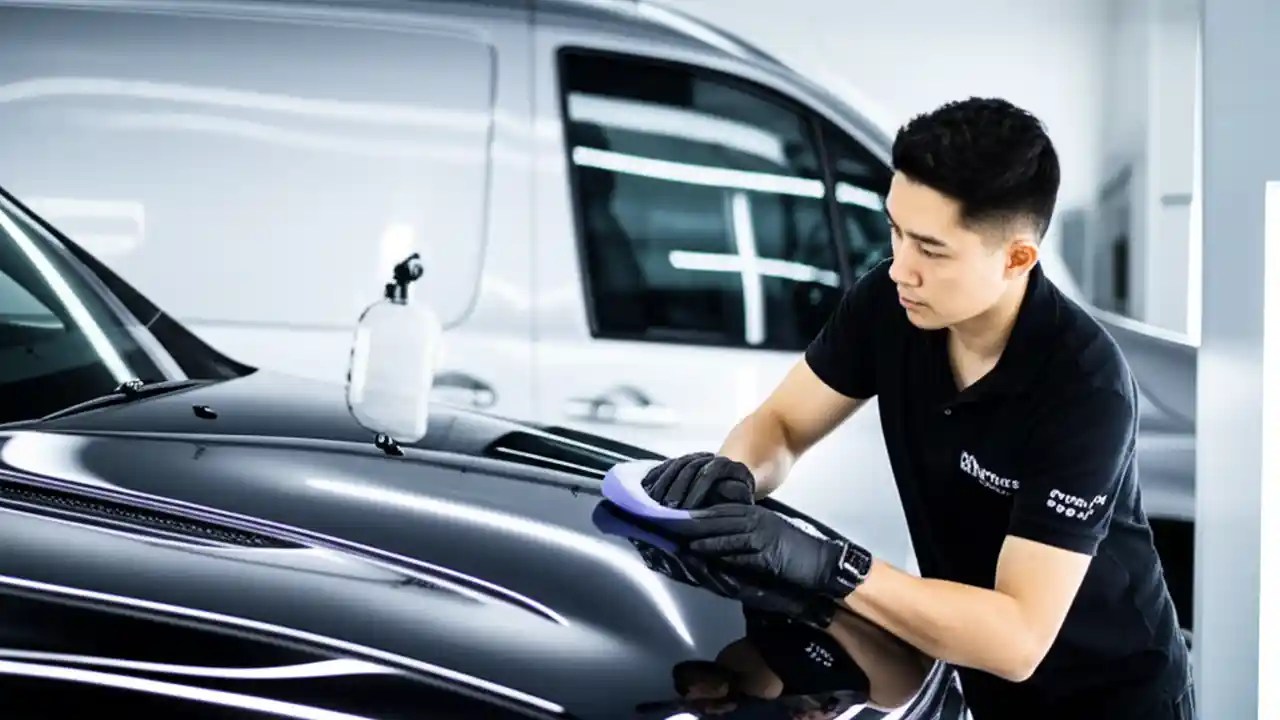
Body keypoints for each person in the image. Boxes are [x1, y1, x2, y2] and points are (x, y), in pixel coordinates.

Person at [643, 97, 1194, 719]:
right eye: (895, 230)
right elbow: (783, 424)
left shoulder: (1082, 386)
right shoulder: (889, 305)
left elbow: (1017, 639)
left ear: (1016, 258)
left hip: (1112, 698)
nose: (901, 267)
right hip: (976, 687)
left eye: (931, 250)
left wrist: (828, 565)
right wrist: (738, 473)